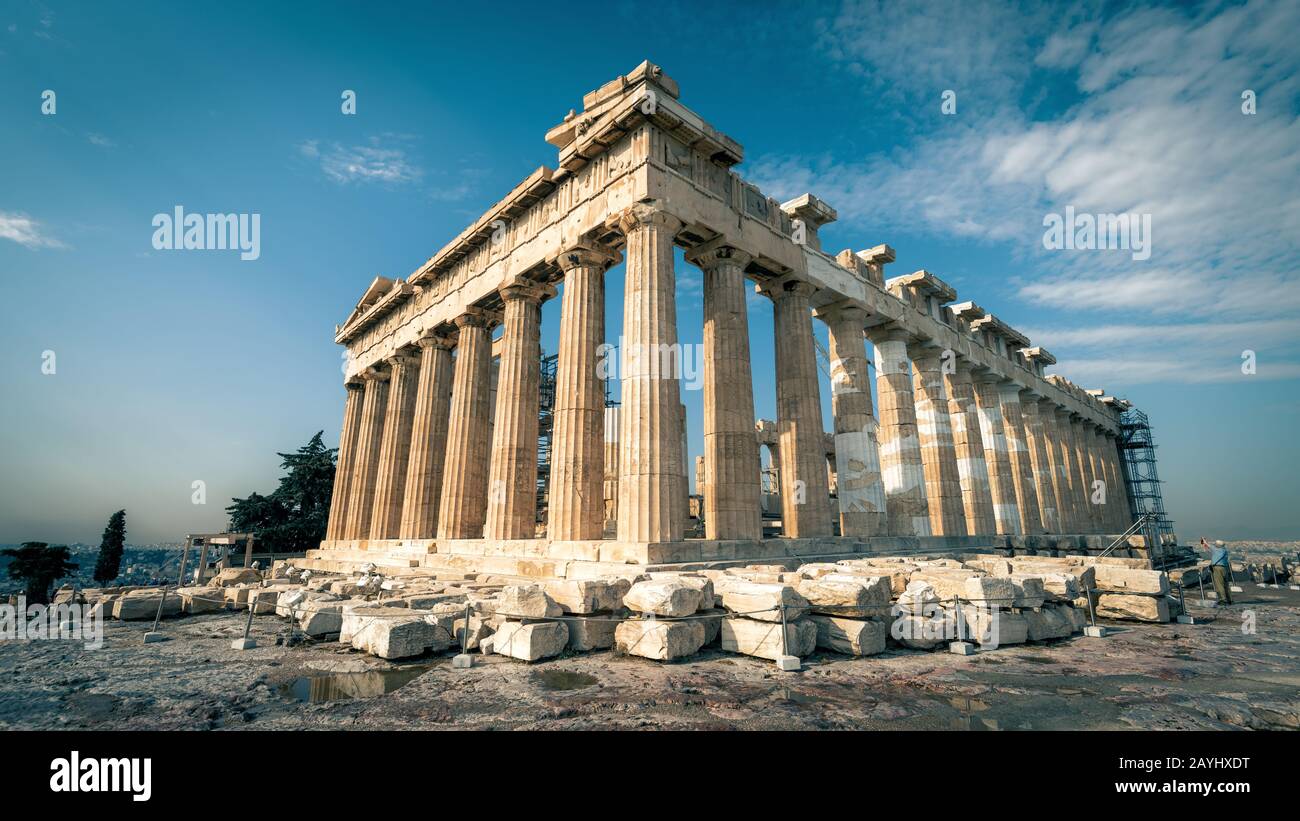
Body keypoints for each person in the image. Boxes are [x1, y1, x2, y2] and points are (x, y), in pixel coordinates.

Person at [1209, 539, 1233, 605]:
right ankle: (1229, 599)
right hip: (1224, 568)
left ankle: (1223, 599)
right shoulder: (1224, 550)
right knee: (1226, 584)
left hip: (1217, 568)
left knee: (1219, 584)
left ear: (1218, 545)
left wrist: (1204, 540)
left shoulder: (1216, 550)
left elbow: (1209, 546)